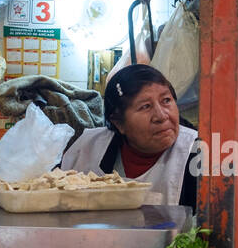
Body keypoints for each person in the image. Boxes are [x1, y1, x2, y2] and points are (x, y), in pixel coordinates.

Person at [59, 64, 198, 210]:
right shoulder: (88, 147)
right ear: (119, 123)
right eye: (145, 106)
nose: (161, 116)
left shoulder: (198, 152)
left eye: (166, 100)